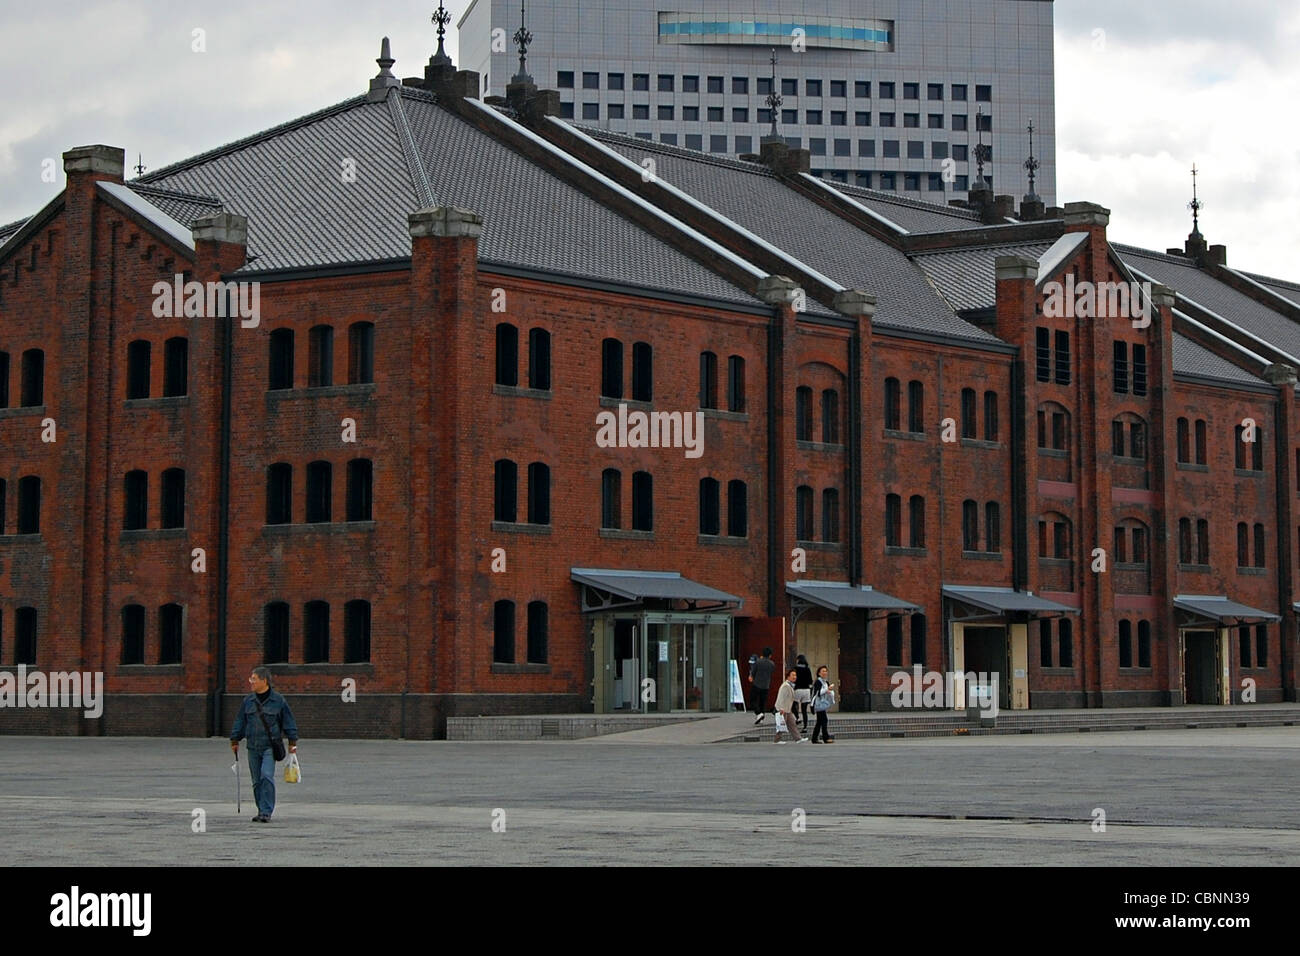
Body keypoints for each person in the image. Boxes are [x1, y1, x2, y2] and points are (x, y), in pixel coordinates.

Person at [230, 667, 300, 823]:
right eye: (251, 679)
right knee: (256, 781)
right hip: (252, 746)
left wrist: (292, 743)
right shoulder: (248, 701)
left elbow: (289, 722)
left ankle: (266, 811)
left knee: (266, 776)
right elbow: (240, 720)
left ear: (264, 681)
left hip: (270, 746)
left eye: (254, 679)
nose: (251, 682)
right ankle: (261, 809)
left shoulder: (278, 701)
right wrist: (234, 739)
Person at [773, 669, 804, 743]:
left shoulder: (790, 685)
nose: (794, 677)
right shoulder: (785, 686)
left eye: (795, 675)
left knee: (792, 724)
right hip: (783, 709)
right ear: (788, 677)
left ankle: (798, 738)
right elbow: (781, 698)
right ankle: (777, 740)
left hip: (787, 709)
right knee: (781, 724)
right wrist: (781, 709)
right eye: (793, 675)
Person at [748, 646, 776, 724]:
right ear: (770, 655)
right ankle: (762, 716)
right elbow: (772, 672)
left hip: (757, 684)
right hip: (766, 685)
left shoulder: (758, 662)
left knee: (752, 700)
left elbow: (753, 672)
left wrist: (751, 676)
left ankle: (758, 713)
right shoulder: (772, 664)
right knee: (762, 702)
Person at [810, 665, 836, 743]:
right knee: (824, 720)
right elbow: (818, 693)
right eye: (823, 671)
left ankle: (814, 738)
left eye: (825, 671)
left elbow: (829, 692)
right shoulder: (818, 681)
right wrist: (827, 690)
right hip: (818, 704)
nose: (825, 673)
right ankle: (825, 737)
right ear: (819, 673)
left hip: (822, 704)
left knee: (819, 721)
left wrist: (831, 696)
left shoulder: (826, 682)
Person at [793, 654, 814, 732]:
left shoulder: (795, 669)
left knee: (793, 705)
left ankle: (797, 718)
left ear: (798, 660)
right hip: (806, 690)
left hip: (798, 689)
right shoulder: (807, 669)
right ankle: (805, 727)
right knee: (804, 710)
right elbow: (810, 681)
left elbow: (793, 679)